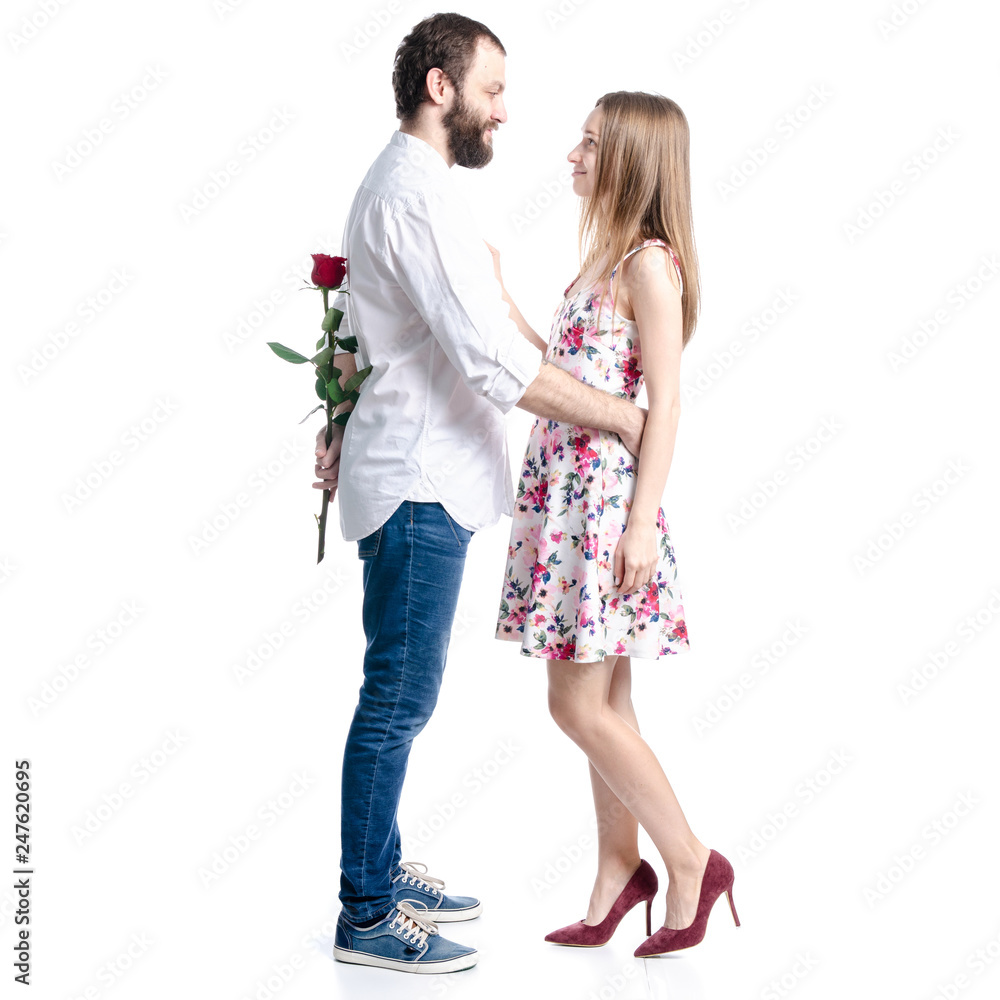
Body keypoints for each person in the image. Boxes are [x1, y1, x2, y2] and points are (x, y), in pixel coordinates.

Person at [313, 14, 649, 974]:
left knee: (398, 691)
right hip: (420, 483)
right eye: (493, 90)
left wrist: (339, 427)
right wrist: (617, 418)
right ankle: (365, 912)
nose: (506, 111)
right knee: (398, 700)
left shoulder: (414, 188)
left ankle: (376, 863)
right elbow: (491, 360)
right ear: (439, 88)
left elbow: (369, 330)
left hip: (416, 474)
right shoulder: (415, 197)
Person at [493, 92, 741, 957]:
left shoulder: (649, 264)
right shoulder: (601, 260)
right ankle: (616, 869)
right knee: (608, 702)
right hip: (567, 492)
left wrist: (640, 527)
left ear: (630, 159)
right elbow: (562, 371)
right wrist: (499, 305)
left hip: (600, 506)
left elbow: (666, 405)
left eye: (590, 144)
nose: (572, 154)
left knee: (573, 701)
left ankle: (691, 861)